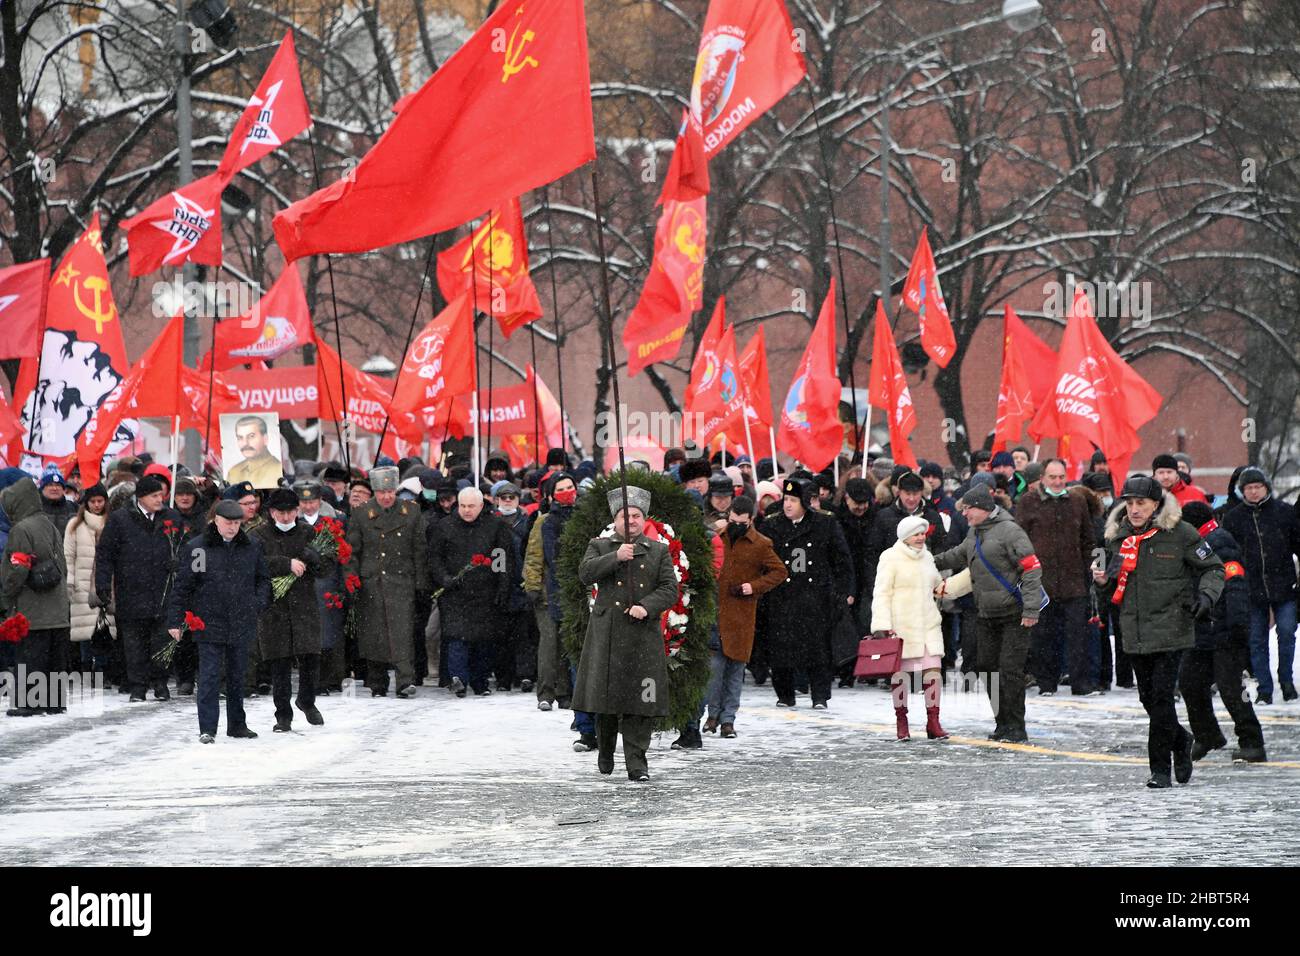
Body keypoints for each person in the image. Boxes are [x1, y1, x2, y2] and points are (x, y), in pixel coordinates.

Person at [1093, 476, 1223, 788]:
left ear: (1156, 504)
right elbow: (1112, 583)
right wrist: (1101, 582)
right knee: (1148, 698)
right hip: (1134, 630)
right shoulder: (1115, 537)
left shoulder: (1179, 533)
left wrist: (1206, 597)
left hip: (1172, 627)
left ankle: (1159, 770)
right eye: (1130, 503)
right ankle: (1181, 739)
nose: (1135, 509)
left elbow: (1213, 568)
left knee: (1162, 697)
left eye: (1142, 503)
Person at [572, 486, 679, 781]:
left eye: (635, 516)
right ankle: (605, 750)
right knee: (605, 701)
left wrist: (647, 606)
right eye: (624, 516)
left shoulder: (658, 551)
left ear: (643, 519)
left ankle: (636, 762)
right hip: (607, 635)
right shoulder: (599, 546)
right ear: (615, 520)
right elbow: (585, 573)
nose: (630, 521)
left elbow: (670, 588)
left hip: (642, 636)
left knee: (640, 703)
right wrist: (616, 556)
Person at [932, 484, 1044, 743]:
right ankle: (1001, 722)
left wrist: (1030, 608)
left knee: (1010, 670)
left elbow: (1031, 569)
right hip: (987, 613)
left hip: (1015, 613)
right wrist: (926, 560)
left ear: (983, 508)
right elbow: (956, 555)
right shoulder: (974, 533)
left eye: (968, 508)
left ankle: (1016, 726)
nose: (964, 513)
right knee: (986, 667)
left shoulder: (1010, 531)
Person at [167, 499, 272, 742]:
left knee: (238, 676)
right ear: (216, 521)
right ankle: (207, 728)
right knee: (210, 676)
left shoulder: (251, 546)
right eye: (228, 522)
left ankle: (237, 724)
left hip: (240, 619)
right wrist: (175, 619)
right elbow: (184, 586)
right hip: (208, 621)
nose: (232, 528)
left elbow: (263, 580)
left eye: (237, 523)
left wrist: (256, 604)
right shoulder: (200, 548)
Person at [1176, 501, 1266, 763]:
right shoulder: (1199, 543)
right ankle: (1208, 735)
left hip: (1224, 629)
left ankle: (1252, 742)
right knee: (1191, 684)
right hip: (1204, 629)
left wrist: (1236, 627)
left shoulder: (1220, 543)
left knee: (1231, 689)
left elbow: (1234, 585)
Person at [760, 477, 855, 709]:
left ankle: (820, 696)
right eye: (786, 499)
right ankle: (784, 695)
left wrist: (845, 590)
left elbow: (842, 560)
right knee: (781, 648)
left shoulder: (824, 524)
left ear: (804, 501)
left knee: (818, 650)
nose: (788, 505)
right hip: (782, 596)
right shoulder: (772, 525)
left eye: (793, 500)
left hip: (816, 596)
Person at [1015, 458, 1101, 696]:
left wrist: (1087, 568)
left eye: (1061, 477)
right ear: (1042, 478)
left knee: (1077, 636)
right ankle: (1046, 683)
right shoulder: (1028, 502)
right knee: (1044, 637)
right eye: (1052, 477)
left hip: (1074, 582)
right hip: (1042, 583)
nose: (1057, 481)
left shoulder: (1077, 501)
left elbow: (1088, 539)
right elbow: (1019, 540)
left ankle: (1080, 683)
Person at [94, 474, 183, 702]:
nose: (159, 499)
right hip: (131, 591)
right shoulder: (120, 519)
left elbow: (184, 547)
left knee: (163, 641)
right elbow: (105, 555)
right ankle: (138, 687)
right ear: (141, 498)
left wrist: (178, 562)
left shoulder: (171, 517)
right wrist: (103, 584)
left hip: (163, 591)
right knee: (134, 644)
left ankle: (161, 683)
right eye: (154, 496)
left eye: (161, 495)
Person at [706, 496, 787, 736]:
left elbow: (780, 571)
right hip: (717, 613)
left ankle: (727, 719)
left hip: (741, 615)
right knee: (715, 670)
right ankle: (712, 715)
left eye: (741, 522)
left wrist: (752, 586)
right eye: (732, 521)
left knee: (734, 671)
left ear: (750, 520)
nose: (736, 526)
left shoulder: (760, 544)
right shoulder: (717, 538)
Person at [346, 466, 429, 698]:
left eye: (390, 491)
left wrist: (421, 583)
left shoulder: (411, 512)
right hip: (371, 583)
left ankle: (405, 680)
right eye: (381, 492)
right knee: (374, 634)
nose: (386, 496)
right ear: (374, 491)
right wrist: (351, 579)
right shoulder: (362, 514)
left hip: (402, 582)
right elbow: (352, 551)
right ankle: (377, 682)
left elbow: (420, 551)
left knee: (402, 633)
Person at [1222, 466, 1300, 704]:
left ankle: (1286, 680)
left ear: (1266, 487)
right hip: (1251, 589)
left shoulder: (1284, 512)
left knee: (1287, 632)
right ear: (1242, 491)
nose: (1254, 492)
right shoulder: (1233, 518)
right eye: (1249, 488)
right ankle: (1265, 688)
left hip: (1284, 585)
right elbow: (1228, 553)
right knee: (1256, 639)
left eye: (1258, 487)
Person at [251, 488, 325, 733]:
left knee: (310, 656)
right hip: (274, 606)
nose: (285, 517)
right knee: (279, 661)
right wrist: (285, 564)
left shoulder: (308, 532)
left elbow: (324, 568)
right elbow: (254, 565)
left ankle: (307, 700)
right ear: (271, 512)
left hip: (304, 604)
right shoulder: (258, 535)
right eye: (280, 512)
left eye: (290, 512)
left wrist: (315, 559)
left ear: (297, 511)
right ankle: (283, 714)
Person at [872, 514, 952, 741]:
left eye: (922, 533)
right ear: (906, 537)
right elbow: (882, 592)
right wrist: (881, 625)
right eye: (916, 534)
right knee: (901, 676)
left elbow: (938, 586)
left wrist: (968, 580)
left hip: (928, 624)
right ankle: (901, 719)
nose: (920, 537)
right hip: (902, 626)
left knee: (934, 672)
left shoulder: (927, 557)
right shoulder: (890, 557)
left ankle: (933, 721)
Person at [428, 487, 513, 697]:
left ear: (481, 506)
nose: (466, 510)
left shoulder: (496, 526)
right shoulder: (444, 526)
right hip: (455, 592)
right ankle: (458, 678)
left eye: (471, 506)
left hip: (485, 592)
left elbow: (502, 558)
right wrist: (444, 578)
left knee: (483, 641)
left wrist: (502, 586)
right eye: (463, 506)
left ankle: (480, 681)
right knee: (456, 637)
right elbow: (434, 558)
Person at [2, 477, 71, 716]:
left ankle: (29, 702)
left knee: (30, 655)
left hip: (33, 607)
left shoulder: (21, 529)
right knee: (54, 656)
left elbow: (17, 568)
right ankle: (54, 701)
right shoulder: (47, 523)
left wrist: (6, 594)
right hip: (58, 607)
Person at [296, 480, 346, 694]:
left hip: (326, 583)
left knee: (328, 634)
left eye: (312, 501)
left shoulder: (334, 522)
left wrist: (342, 585)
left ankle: (329, 678)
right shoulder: (294, 524)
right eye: (304, 502)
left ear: (320, 501)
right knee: (306, 636)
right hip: (301, 585)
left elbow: (342, 555)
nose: (308, 506)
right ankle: (310, 680)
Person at [64, 483, 111, 679]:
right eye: (93, 501)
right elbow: (69, 554)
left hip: (106, 582)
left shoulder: (112, 523)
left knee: (105, 629)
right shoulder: (75, 525)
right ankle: (85, 667)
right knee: (85, 630)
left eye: (100, 501)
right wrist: (70, 581)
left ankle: (102, 669)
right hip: (82, 584)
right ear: (86, 503)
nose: (97, 505)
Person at [493, 481, 535, 692]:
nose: (508, 501)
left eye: (512, 497)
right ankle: (503, 677)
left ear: (518, 499)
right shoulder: (492, 521)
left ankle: (525, 674)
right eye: (504, 498)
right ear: (497, 500)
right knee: (501, 636)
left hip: (521, 581)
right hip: (499, 584)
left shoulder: (526, 522)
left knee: (523, 635)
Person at [226, 415, 284, 488]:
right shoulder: (233, 472)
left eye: (251, 436)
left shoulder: (277, 469)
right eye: (240, 438)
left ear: (265, 439)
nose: (245, 443)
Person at [38, 471, 77, 536]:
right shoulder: (35, 507)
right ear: (42, 489)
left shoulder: (73, 507)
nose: (55, 488)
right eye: (50, 485)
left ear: (63, 489)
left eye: (58, 485)